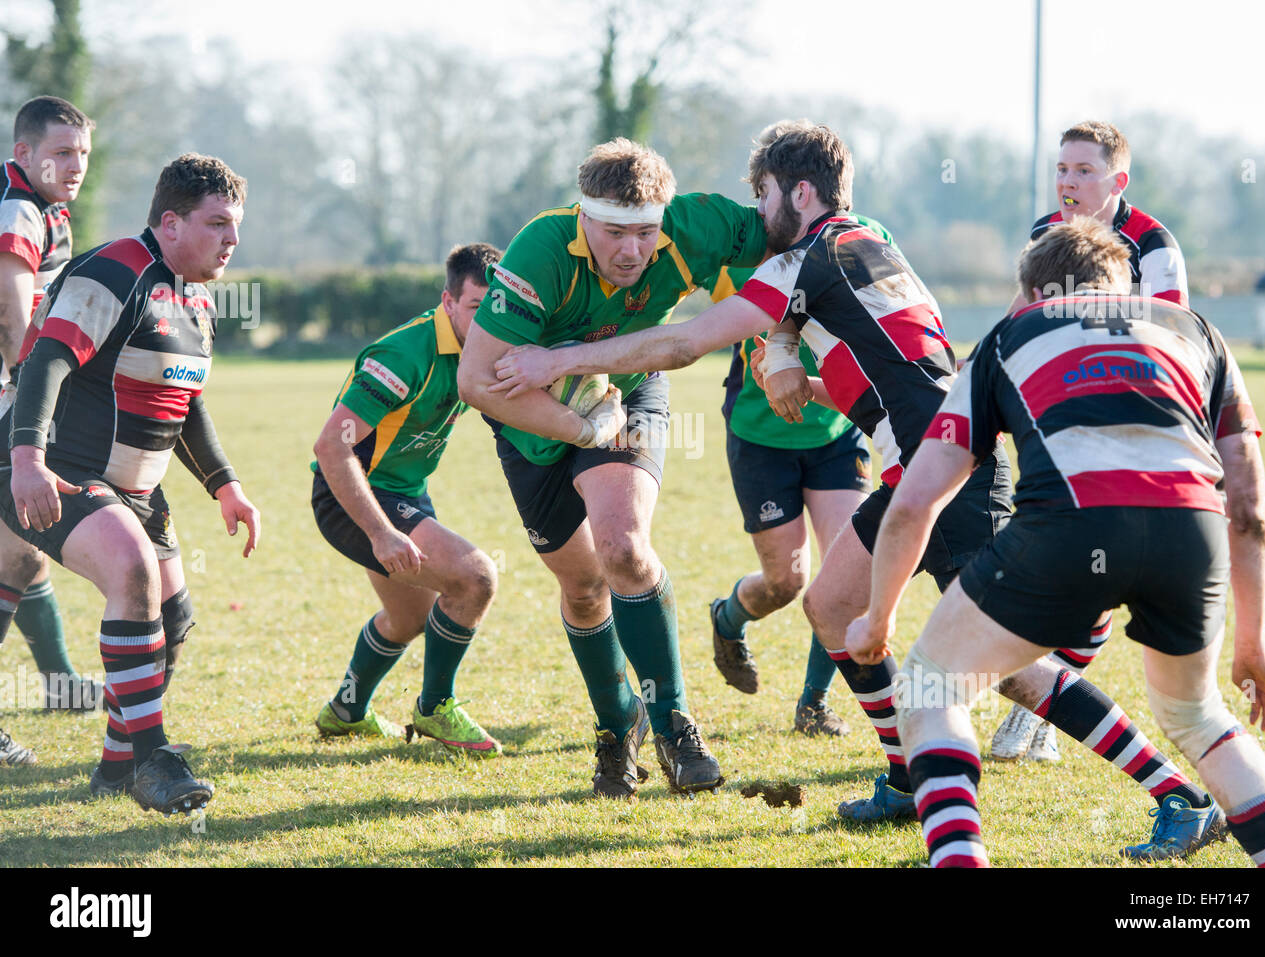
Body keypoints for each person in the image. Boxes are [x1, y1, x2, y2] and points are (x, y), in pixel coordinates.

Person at [490, 122, 1223, 860]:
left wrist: (562, 357)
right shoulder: (867, 242)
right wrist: (794, 366)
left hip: (949, 466)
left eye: (764, 194)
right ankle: (907, 778)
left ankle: (1178, 793)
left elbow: (683, 342)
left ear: (799, 192)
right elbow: (885, 366)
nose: (757, 211)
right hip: (929, 454)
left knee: (1003, 664)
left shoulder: (807, 258)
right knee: (832, 604)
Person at [852, 216, 1265, 868]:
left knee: (930, 688)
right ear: (1122, 284)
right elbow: (1250, 509)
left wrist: (879, 617)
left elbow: (918, 497)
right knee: (1199, 717)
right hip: (1189, 533)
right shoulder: (1198, 331)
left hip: (1069, 524)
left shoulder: (1011, 334)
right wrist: (1254, 642)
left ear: (1033, 293)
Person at [457, 138, 772, 798]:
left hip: (628, 389)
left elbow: (796, 238)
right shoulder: (539, 252)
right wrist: (581, 425)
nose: (633, 251)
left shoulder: (699, 226)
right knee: (582, 588)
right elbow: (475, 381)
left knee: (624, 549)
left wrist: (794, 335)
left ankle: (675, 726)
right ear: (583, 218)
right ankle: (613, 727)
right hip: (532, 415)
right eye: (614, 232)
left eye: (646, 233)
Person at [0, 153, 260, 814]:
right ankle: (154, 760)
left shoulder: (196, 296)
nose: (232, 239)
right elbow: (44, 364)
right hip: (60, 468)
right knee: (131, 572)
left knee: (172, 617)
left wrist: (225, 483)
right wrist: (28, 458)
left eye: (236, 225)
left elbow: (187, 401)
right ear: (169, 223)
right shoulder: (116, 270)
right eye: (217, 224)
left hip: (138, 490)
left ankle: (118, 766)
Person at [995, 119, 1192, 762]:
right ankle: (1050, 702)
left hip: (1126, 422)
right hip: (1053, 419)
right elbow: (1021, 316)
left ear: (1117, 181)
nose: (1068, 183)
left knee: (1099, 572)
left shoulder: (1154, 245)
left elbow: (1172, 337)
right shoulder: (1041, 234)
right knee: (1072, 566)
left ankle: (1046, 709)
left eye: (1083, 171)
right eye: (1061, 169)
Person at [311, 242, 502, 755]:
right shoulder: (403, 354)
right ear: (447, 301)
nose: (488, 322)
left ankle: (347, 712)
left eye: (498, 308)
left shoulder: (484, 345)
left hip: (406, 493)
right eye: (476, 308)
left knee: (409, 620)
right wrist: (380, 531)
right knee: (475, 577)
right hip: (354, 493)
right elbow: (332, 446)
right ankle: (436, 706)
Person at [703, 257, 873, 736]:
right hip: (760, 440)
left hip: (837, 434)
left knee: (850, 575)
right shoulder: (736, 263)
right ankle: (727, 618)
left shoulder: (851, 253)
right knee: (785, 582)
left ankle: (814, 705)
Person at [0, 98, 99, 766]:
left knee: (21, 543)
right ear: (27, 151)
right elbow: (13, 296)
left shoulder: (40, 205)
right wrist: (23, 384)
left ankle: (60, 681)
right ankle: (61, 680)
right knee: (21, 537)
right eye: (62, 153)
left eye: (83, 154)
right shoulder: (20, 210)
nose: (75, 166)